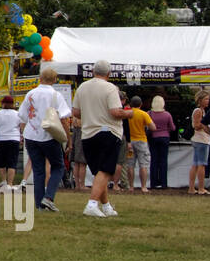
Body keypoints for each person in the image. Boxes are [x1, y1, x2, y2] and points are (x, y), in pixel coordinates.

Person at [72, 60, 133, 218]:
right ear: (109, 73)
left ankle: (105, 206)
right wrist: (128, 113)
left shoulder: (82, 87)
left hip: (87, 134)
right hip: (108, 132)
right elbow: (115, 112)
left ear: (93, 71)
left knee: (99, 172)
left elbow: (76, 112)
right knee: (106, 170)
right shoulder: (110, 88)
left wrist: (91, 113)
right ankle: (92, 204)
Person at [19, 68, 73, 212]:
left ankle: (39, 204)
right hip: (49, 135)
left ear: (40, 78)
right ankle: (48, 197)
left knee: (38, 170)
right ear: (55, 80)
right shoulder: (56, 95)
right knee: (58, 166)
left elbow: (23, 116)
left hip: (31, 135)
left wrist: (22, 132)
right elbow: (64, 118)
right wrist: (68, 138)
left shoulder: (30, 94)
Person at [0, 95, 22, 189]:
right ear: (12, 104)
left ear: (3, 103)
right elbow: (21, 127)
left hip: (0, 139)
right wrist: (21, 138)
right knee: (12, 162)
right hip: (14, 139)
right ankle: (10, 183)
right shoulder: (17, 114)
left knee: (1, 162)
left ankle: (4, 180)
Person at [125, 95, 154, 193]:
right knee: (143, 164)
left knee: (130, 165)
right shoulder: (143, 114)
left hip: (130, 141)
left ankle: (131, 186)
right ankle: (143, 186)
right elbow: (153, 127)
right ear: (141, 104)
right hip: (141, 140)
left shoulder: (127, 114)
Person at [147, 95, 175, 190]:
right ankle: (163, 183)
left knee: (154, 161)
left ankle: (153, 183)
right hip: (164, 138)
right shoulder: (167, 114)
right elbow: (173, 128)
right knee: (163, 161)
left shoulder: (149, 114)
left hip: (153, 138)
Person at [188, 90, 210, 195]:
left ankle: (192, 188)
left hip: (200, 139)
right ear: (200, 100)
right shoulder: (199, 111)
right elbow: (197, 126)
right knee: (201, 164)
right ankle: (201, 188)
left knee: (196, 164)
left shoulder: (201, 111)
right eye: (206, 99)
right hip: (201, 139)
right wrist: (205, 125)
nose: (208, 101)